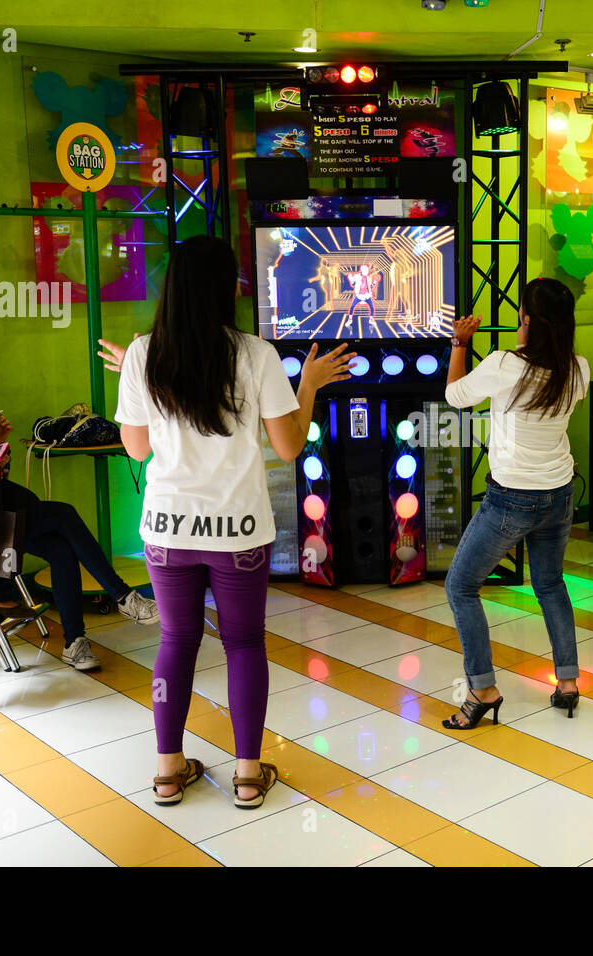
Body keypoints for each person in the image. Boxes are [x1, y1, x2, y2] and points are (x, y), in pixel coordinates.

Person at [100, 234, 352, 808]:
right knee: (243, 644)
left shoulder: (143, 354)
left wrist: (137, 373)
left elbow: (136, 450)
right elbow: (289, 447)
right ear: (226, 290)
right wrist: (308, 385)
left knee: (176, 640)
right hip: (239, 531)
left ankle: (167, 771)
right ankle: (246, 773)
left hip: (166, 532)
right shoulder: (256, 355)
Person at [0, 357, 162, 671]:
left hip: (8, 517)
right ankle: (123, 596)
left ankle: (75, 642)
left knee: (60, 548)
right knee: (64, 515)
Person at [441, 277, 590, 729]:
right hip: (559, 494)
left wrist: (459, 344)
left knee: (460, 586)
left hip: (512, 499)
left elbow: (454, 397)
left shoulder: (506, 364)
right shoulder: (579, 367)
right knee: (549, 585)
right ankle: (567, 683)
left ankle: (483, 689)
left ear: (526, 319)